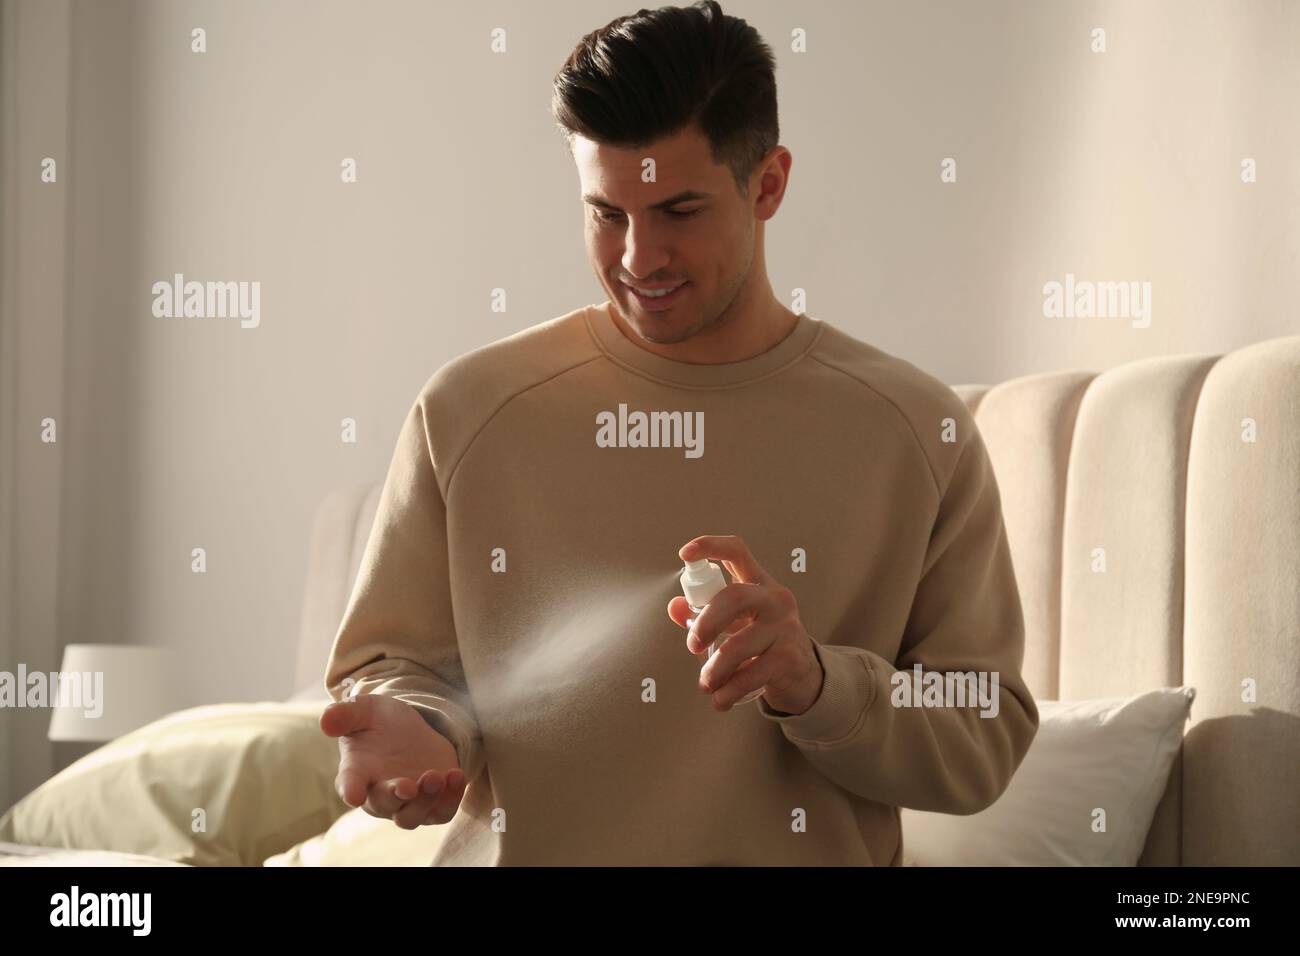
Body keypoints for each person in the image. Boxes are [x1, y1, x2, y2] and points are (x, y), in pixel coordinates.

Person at [320, 0, 1038, 865]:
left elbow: (983, 732)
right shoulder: (470, 410)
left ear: (768, 183)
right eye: (607, 213)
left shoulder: (916, 432)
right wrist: (418, 725)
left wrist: (817, 682)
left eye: (679, 211)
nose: (637, 259)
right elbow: (396, 664)